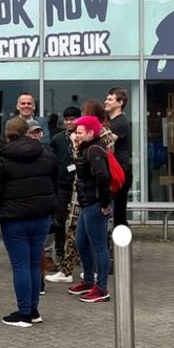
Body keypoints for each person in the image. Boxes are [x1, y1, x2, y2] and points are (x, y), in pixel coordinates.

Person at [0, 117, 59, 327]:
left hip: (14, 220)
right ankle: (33, 310)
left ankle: (23, 314)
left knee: (20, 265)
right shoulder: (47, 154)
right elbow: (55, 182)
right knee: (34, 264)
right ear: (27, 132)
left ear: (8, 134)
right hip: (41, 217)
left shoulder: (0, 158)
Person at [66, 115, 113, 302]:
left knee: (99, 246)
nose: (76, 135)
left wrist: (104, 204)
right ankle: (87, 280)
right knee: (81, 243)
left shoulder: (94, 150)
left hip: (96, 204)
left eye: (79, 132)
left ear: (91, 133)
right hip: (87, 204)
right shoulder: (85, 148)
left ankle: (101, 289)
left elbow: (103, 177)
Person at [46, 106, 81, 281]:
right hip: (62, 186)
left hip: (79, 187)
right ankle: (60, 252)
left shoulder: (84, 137)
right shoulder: (57, 139)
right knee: (59, 220)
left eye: (72, 119)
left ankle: (78, 254)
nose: (69, 122)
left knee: (78, 223)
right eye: (66, 119)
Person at [105, 87, 132, 228]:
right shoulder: (111, 122)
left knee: (119, 215)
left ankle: (122, 247)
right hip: (114, 174)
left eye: (110, 99)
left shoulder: (120, 122)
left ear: (120, 102)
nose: (106, 102)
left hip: (120, 174)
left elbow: (106, 142)